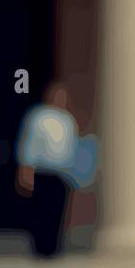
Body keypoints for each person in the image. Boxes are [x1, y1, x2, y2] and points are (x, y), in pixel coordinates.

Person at [15, 81, 94, 257]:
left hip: (62, 172)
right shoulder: (38, 117)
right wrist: (26, 169)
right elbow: (29, 145)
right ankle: (40, 247)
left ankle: (54, 247)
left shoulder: (67, 120)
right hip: (43, 172)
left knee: (58, 211)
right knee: (41, 210)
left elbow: (72, 147)